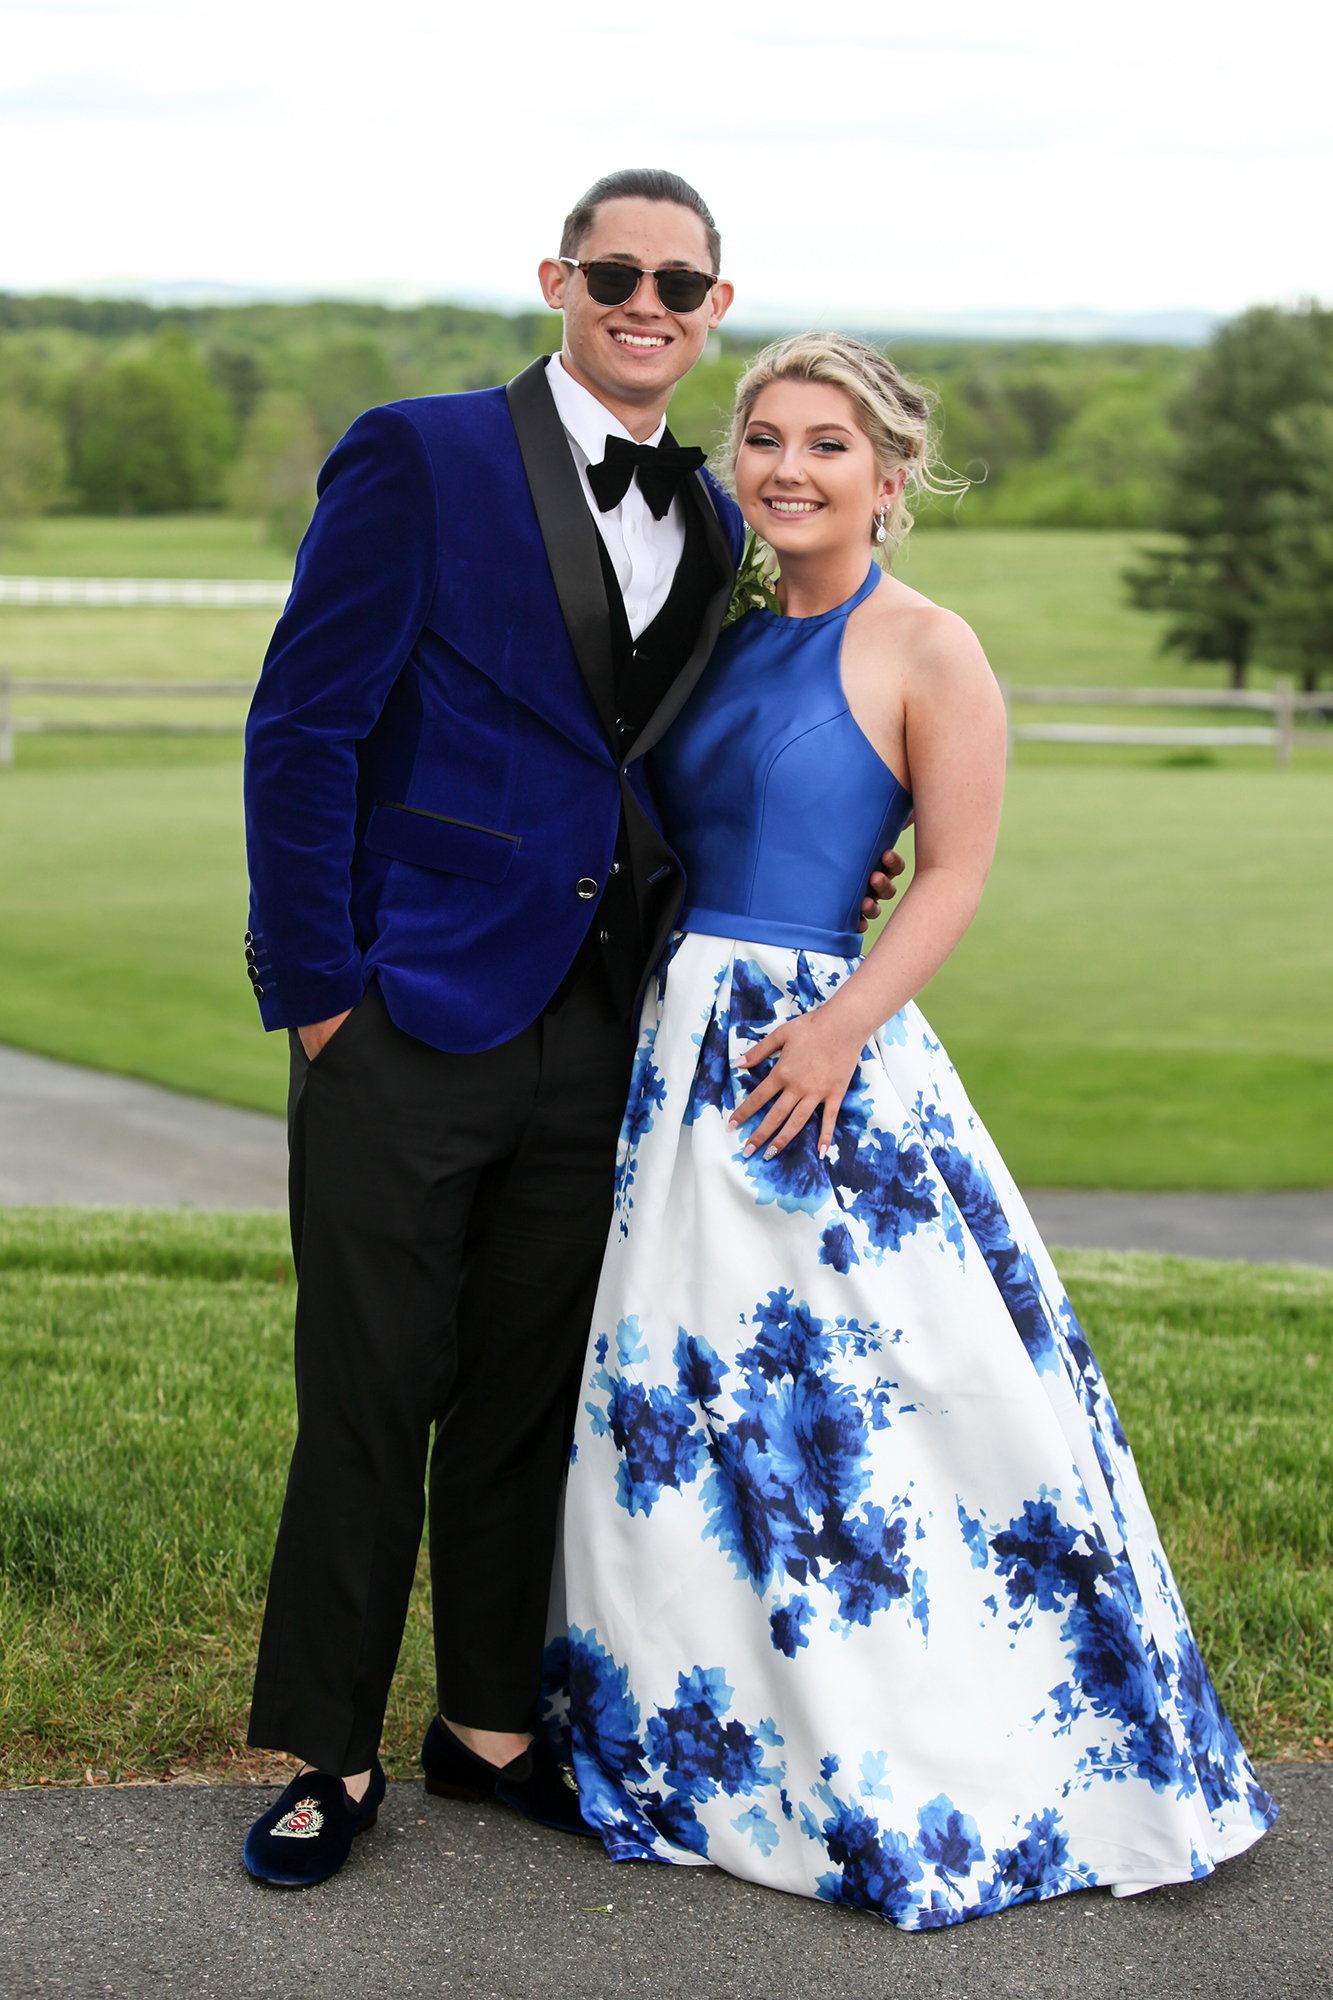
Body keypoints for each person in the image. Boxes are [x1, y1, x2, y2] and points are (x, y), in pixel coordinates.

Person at [238, 169, 905, 1888]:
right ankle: (328, 1753)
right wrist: (318, 999)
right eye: (614, 271)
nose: (645, 302)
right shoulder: (420, 452)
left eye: (678, 284)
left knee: (530, 1397)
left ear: (710, 306)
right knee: (370, 1395)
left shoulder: (706, 513)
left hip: (601, 1028)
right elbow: (303, 731)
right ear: (558, 278)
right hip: (402, 1019)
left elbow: (666, 755)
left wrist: (835, 833)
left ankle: (487, 1732)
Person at [560, 332, 1277, 1929]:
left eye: (827, 444)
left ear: (890, 479)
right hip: (673, 1049)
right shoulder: (715, 635)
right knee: (680, 1392)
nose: (787, 468)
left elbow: (948, 867)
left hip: (824, 1057)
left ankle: (920, 1734)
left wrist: (834, 1025)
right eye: (762, 439)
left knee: (872, 1405)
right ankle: (701, 1724)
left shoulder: (930, 647)